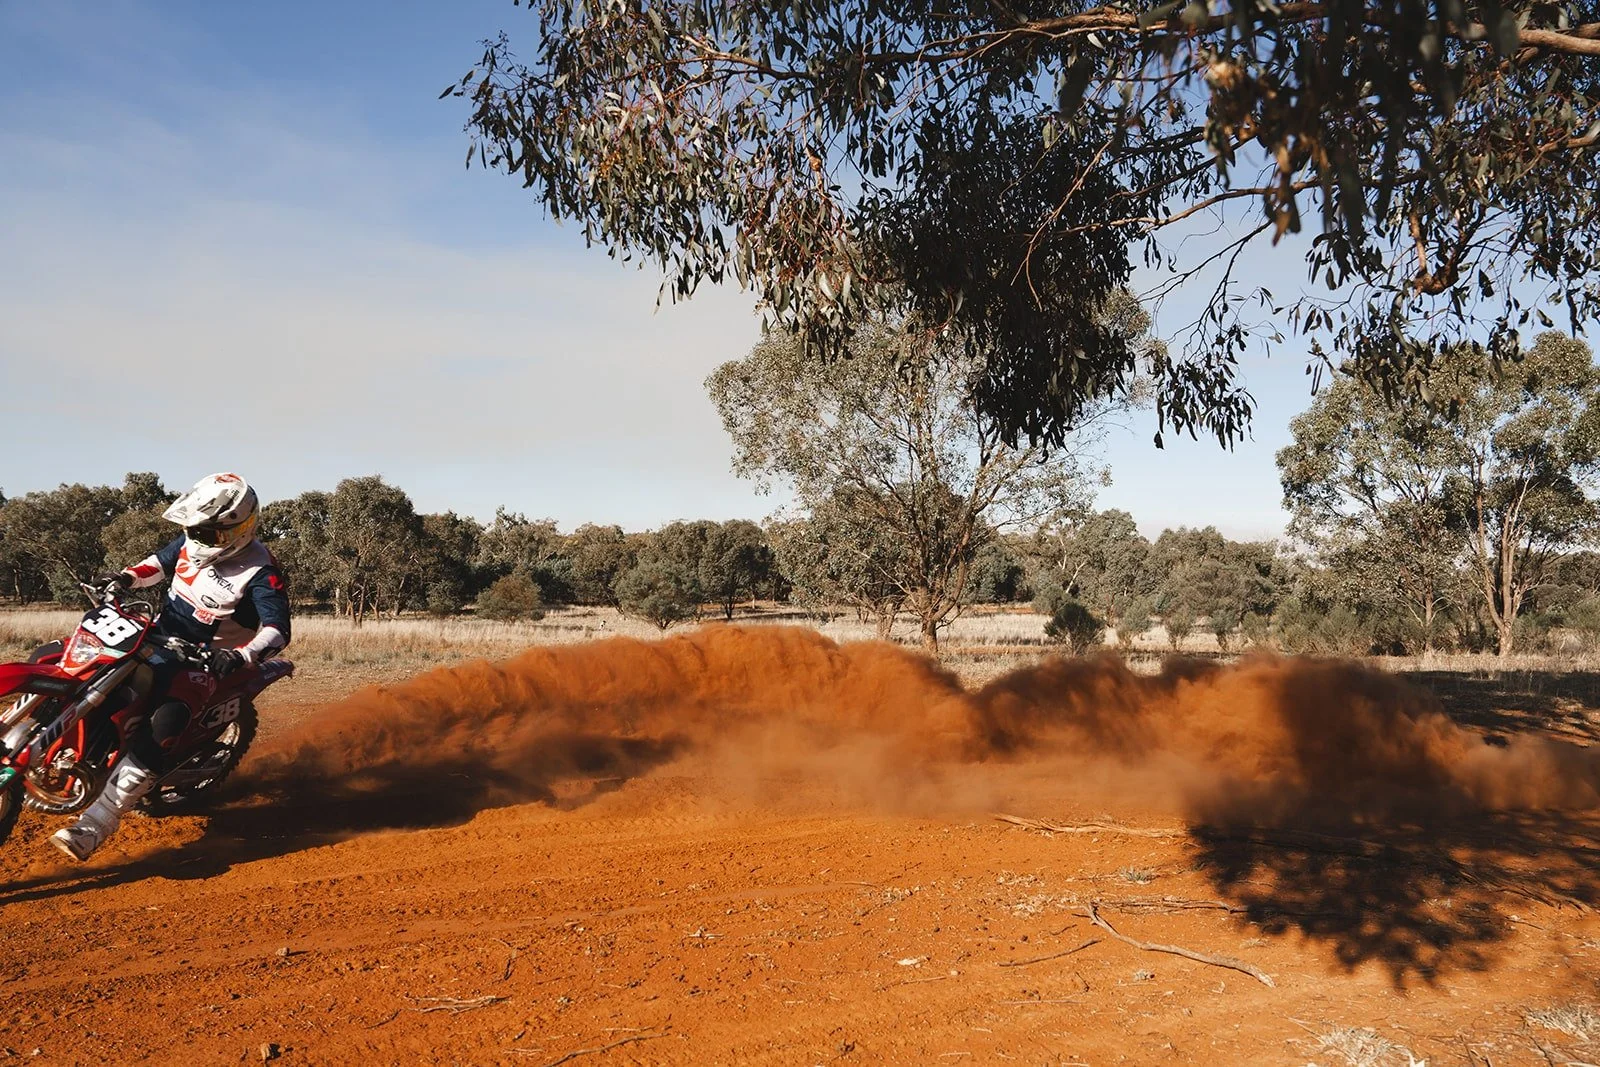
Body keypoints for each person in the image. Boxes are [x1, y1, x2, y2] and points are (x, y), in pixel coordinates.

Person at [50, 472, 291, 862]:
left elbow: (278, 630)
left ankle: (96, 824)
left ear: (239, 530)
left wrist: (239, 656)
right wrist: (125, 576)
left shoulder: (260, 570)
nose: (197, 541)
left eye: (209, 535)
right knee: (59, 655)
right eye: (193, 531)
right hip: (154, 634)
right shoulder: (195, 534)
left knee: (167, 720)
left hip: (207, 660)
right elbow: (158, 565)